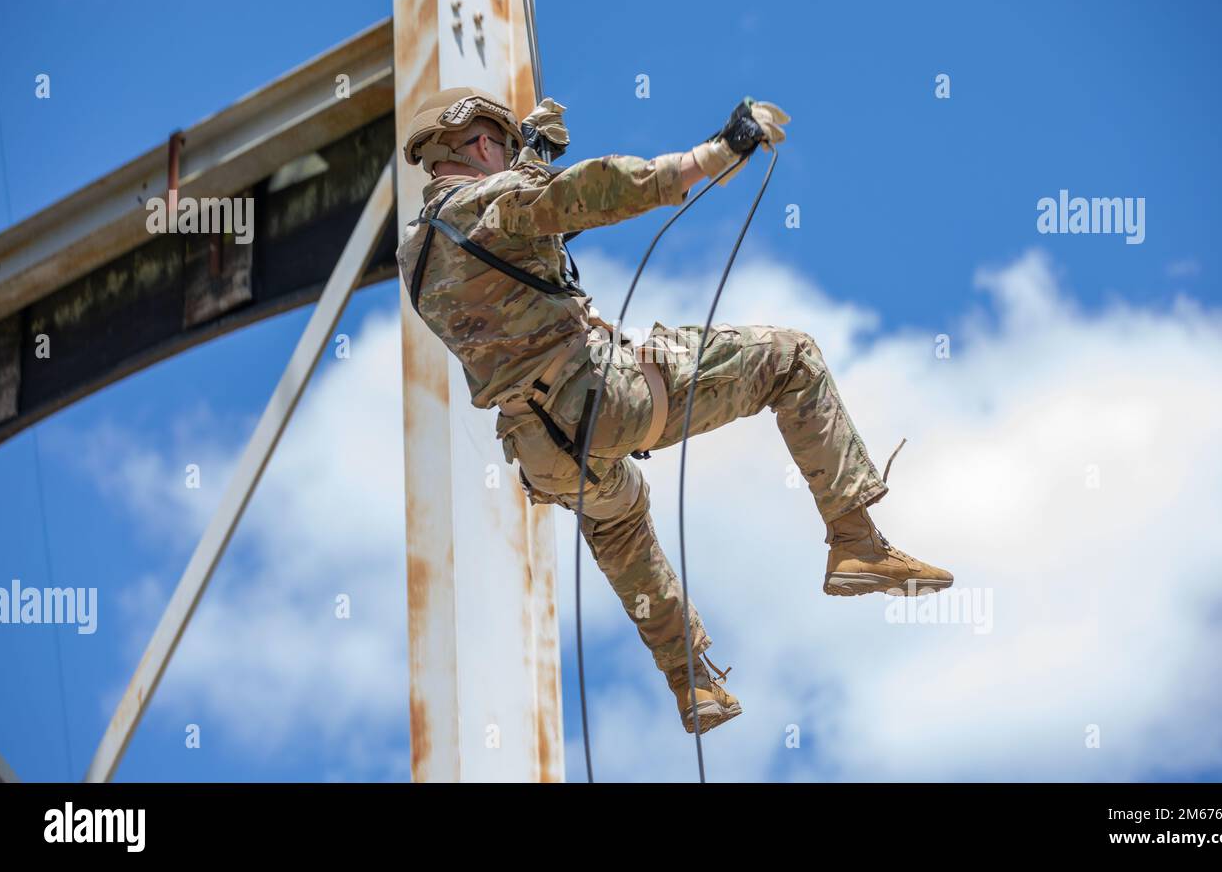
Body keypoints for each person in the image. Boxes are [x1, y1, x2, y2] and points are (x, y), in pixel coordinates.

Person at [395, 87, 954, 735]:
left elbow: (512, 235)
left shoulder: (417, 256)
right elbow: (582, 194)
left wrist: (530, 158)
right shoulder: (488, 204)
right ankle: (856, 544)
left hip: (543, 450)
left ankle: (693, 683)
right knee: (790, 358)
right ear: (484, 143)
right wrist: (709, 157)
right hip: (605, 397)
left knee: (620, 527)